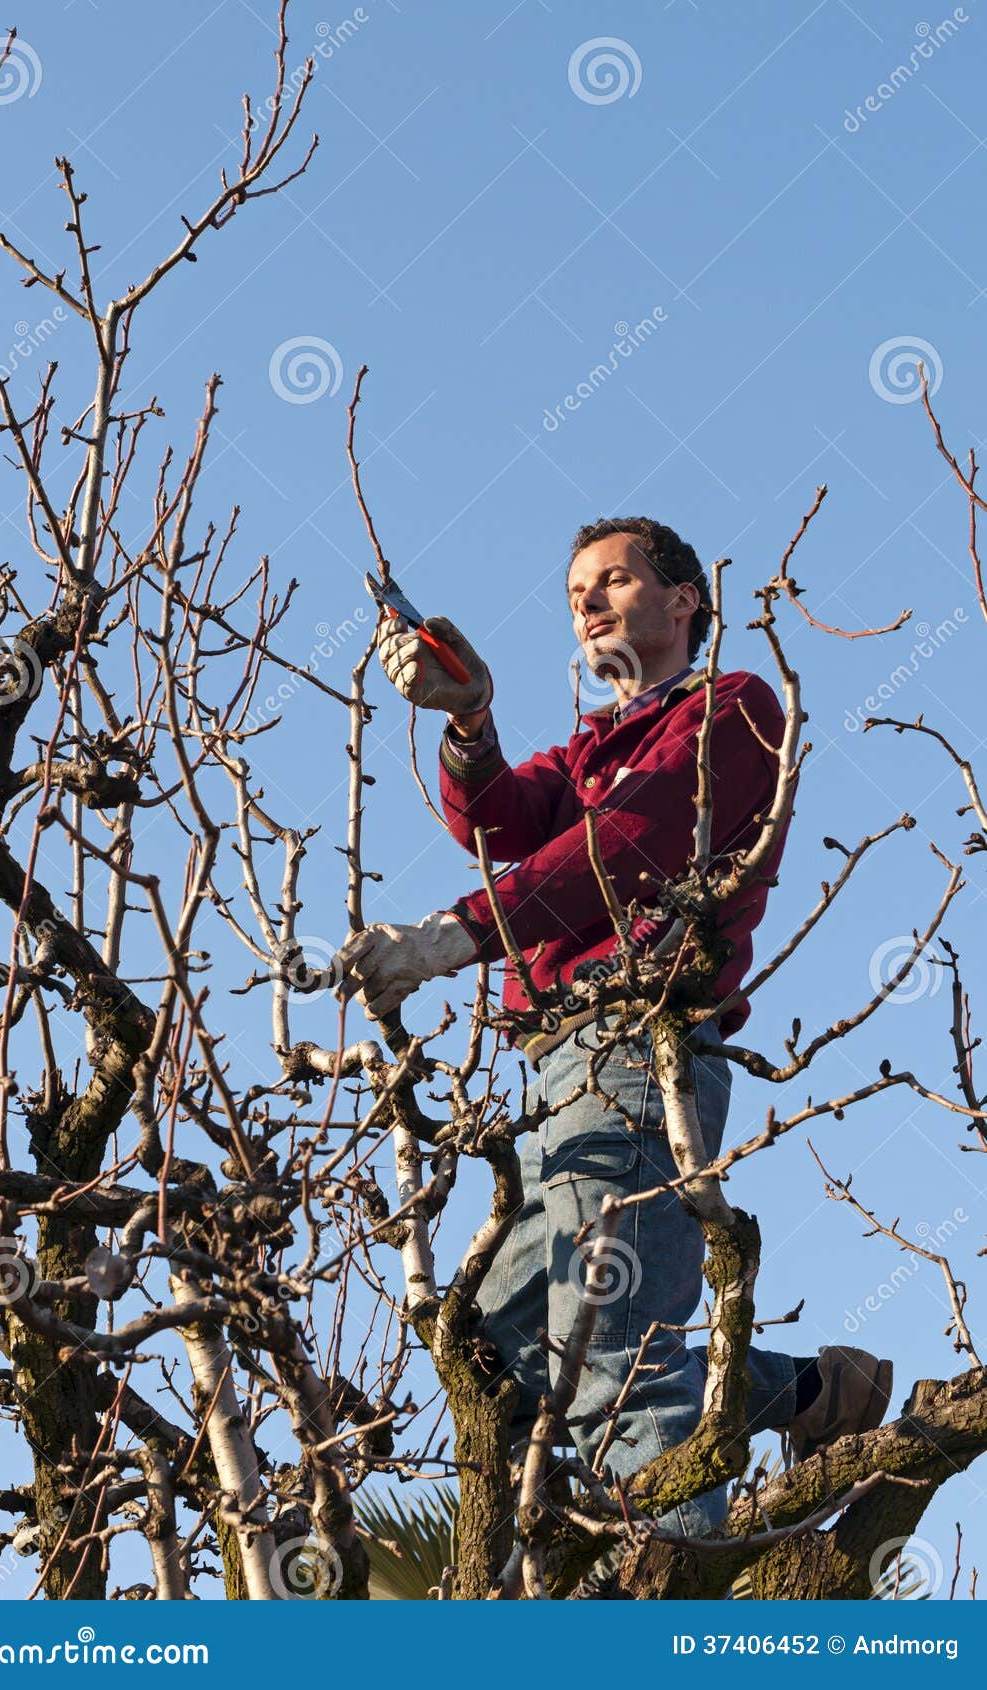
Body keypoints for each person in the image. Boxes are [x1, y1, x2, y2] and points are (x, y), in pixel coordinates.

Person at [335, 516, 892, 1534]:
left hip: (639, 1051)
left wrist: (450, 938)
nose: (588, 599)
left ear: (684, 600)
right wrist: (468, 718)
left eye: (615, 579)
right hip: (555, 1069)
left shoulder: (735, 709)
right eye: (575, 590)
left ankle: (678, 1613)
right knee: (498, 1352)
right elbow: (499, 819)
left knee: (617, 1365)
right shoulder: (592, 748)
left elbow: (627, 842)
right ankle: (817, 1394)